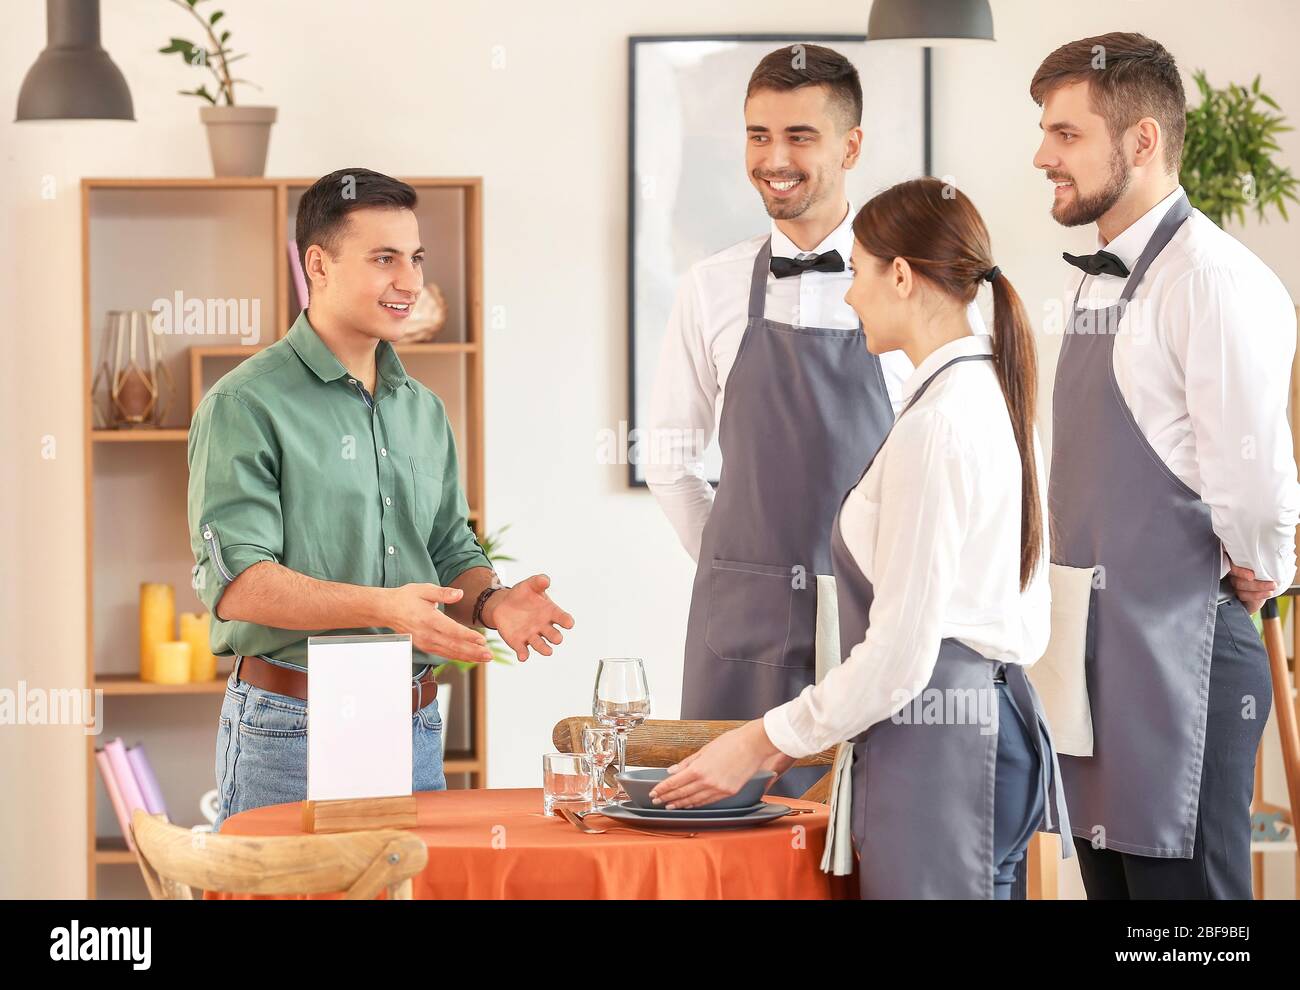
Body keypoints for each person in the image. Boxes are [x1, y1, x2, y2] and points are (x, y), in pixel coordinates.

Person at [651, 177, 1071, 899]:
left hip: (938, 744)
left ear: (901, 277)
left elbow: (900, 655)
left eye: (859, 273)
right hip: (991, 725)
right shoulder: (990, 395)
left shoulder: (936, 425)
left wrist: (763, 740)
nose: (848, 296)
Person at [188, 168, 574, 831]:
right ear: (320, 264)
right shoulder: (244, 403)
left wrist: (492, 601)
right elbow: (238, 586)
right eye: (385, 259)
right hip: (290, 730)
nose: (410, 281)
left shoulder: (422, 409)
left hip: (412, 725)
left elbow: (451, 545)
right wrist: (384, 609)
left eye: (416, 258)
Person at [647, 44, 984, 798]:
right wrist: (741, 568)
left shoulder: (910, 288)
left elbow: (956, 452)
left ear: (851, 145)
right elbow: (670, 458)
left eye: (800, 135)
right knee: (728, 849)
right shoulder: (711, 287)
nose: (774, 158)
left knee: (868, 843)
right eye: (757, 135)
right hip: (742, 630)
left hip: (875, 620)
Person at [1031, 33, 1298, 898]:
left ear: (1141, 141)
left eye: (1066, 134)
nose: (1043, 156)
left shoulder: (1213, 280)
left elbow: (1255, 475)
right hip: (1094, 656)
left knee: (1188, 925)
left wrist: (1267, 570)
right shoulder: (1091, 281)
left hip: (1186, 652)